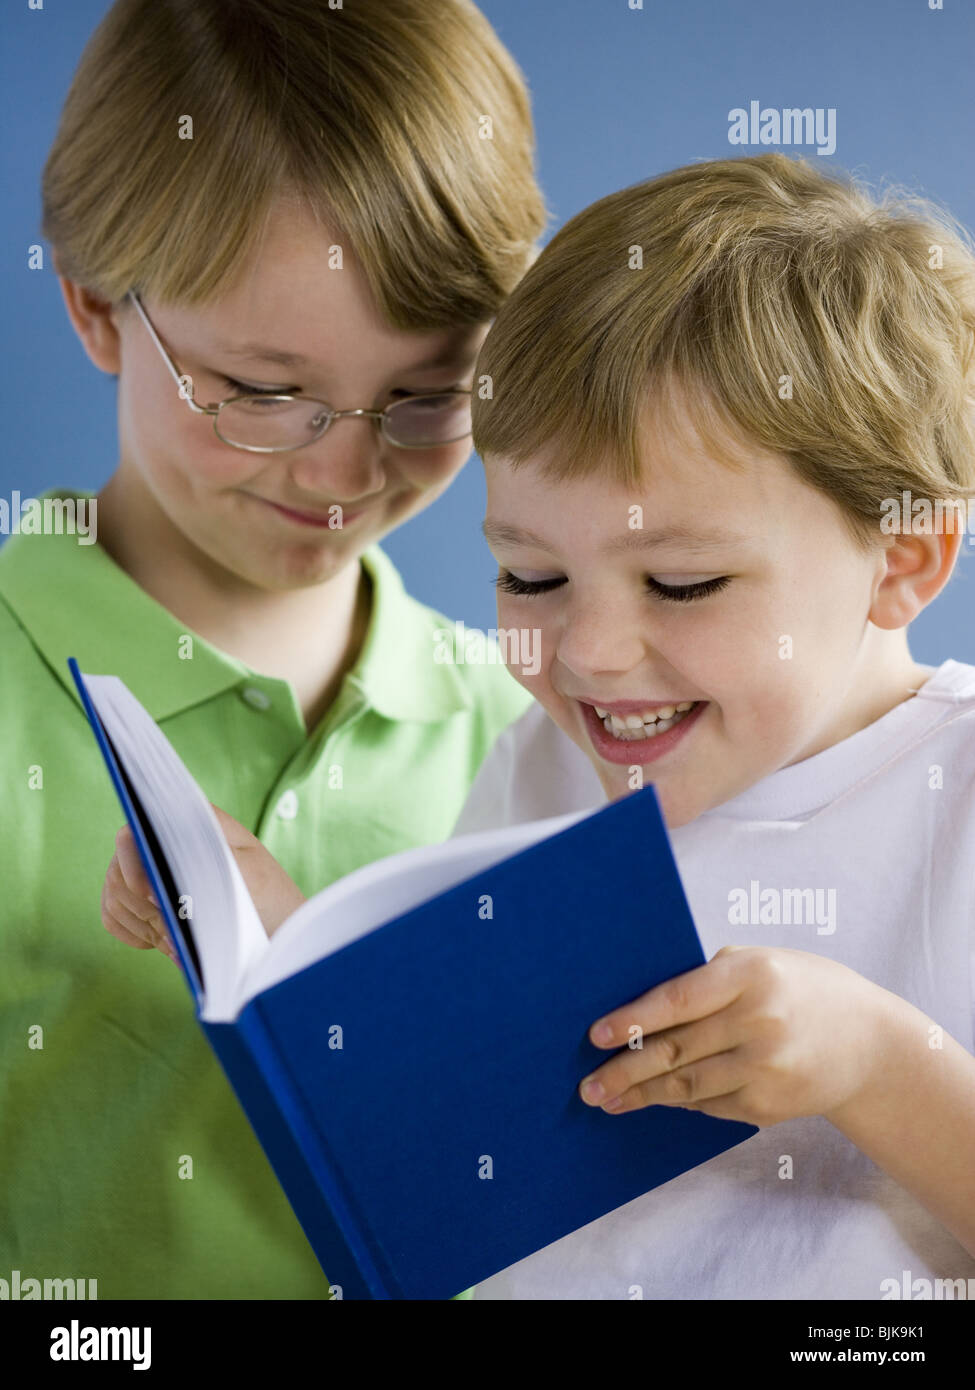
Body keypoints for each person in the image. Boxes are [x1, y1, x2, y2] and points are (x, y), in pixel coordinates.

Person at [105, 152, 975, 1299]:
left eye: (681, 585)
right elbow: (468, 1101)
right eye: (529, 573)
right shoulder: (550, 761)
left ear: (900, 561)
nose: (588, 655)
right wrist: (283, 939)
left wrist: (873, 1064)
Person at [0, 0, 547, 1300]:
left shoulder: (535, 720)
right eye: (257, 392)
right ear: (90, 306)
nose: (346, 471)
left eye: (431, 392)